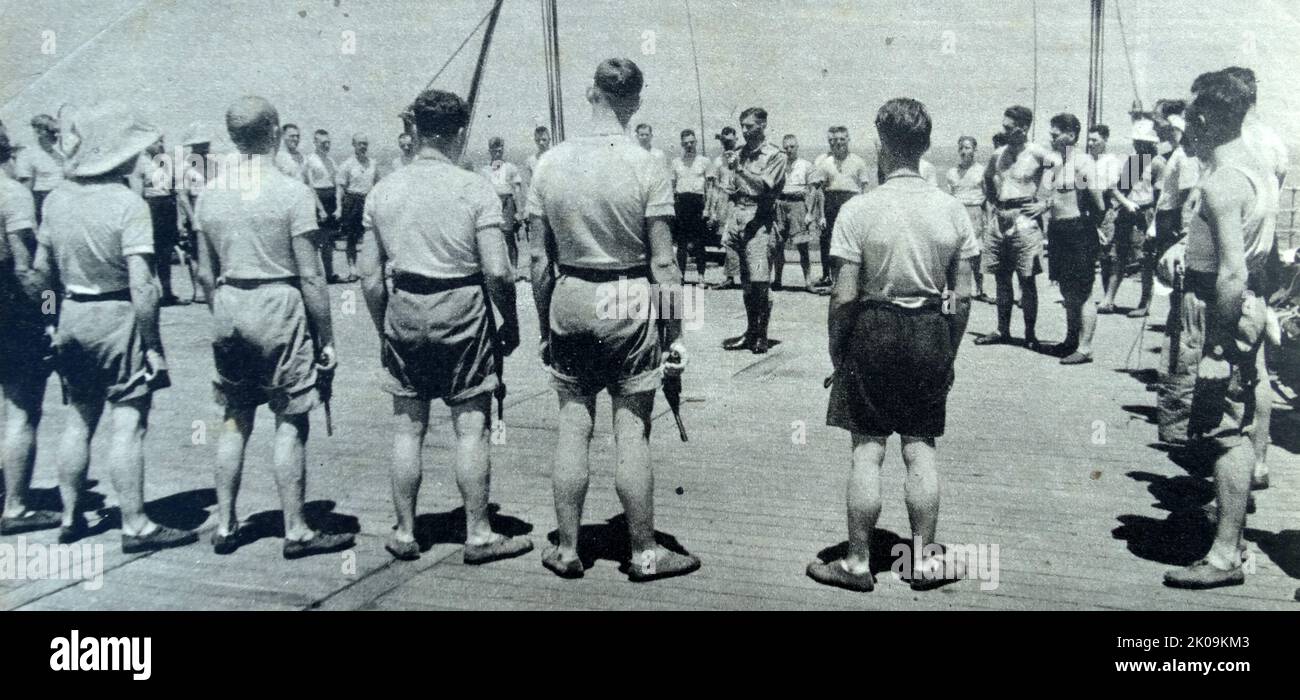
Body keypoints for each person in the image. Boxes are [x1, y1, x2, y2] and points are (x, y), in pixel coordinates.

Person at [527, 58, 696, 581]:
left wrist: (542, 326)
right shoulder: (647, 163)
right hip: (627, 294)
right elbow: (664, 262)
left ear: (588, 93)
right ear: (636, 102)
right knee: (632, 431)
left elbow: (536, 260)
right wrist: (675, 334)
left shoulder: (550, 163)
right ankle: (645, 551)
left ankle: (568, 547)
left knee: (573, 426)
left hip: (571, 292)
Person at [809, 97, 978, 592]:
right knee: (920, 449)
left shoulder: (860, 210)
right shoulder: (951, 210)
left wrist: (839, 353)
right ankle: (923, 560)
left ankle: (858, 563)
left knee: (867, 450)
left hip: (873, 329)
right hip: (929, 328)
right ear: (926, 146)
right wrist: (947, 346)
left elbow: (842, 298)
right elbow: (960, 296)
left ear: (881, 145)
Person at [359, 89, 532, 564]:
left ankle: (404, 531)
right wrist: (509, 322)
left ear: (413, 130)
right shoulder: (475, 188)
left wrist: (384, 329)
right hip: (462, 306)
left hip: (405, 305)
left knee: (407, 430)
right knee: (470, 428)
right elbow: (498, 271)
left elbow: (369, 277)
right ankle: (478, 534)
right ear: (459, 133)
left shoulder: (383, 190)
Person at [192, 96, 353, 560]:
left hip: (228, 298)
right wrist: (326, 339)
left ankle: (225, 524)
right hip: (278, 302)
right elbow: (311, 275)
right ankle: (296, 529)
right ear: (275, 131)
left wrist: (221, 312)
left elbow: (204, 272)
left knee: (234, 418)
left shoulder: (210, 193)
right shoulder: (292, 192)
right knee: (290, 418)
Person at [33, 101, 196, 552]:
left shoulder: (56, 200)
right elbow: (144, 287)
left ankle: (69, 516)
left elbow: (41, 273)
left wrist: (50, 319)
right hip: (116, 316)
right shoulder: (128, 204)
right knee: (129, 422)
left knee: (79, 419)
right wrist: (153, 346)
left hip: (70, 314)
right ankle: (136, 523)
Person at [1163, 71, 1276, 589]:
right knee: (1232, 421)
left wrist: (1217, 346)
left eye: (1190, 115)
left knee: (1223, 432)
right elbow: (1257, 261)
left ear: (1205, 118)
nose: (1186, 124)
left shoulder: (1220, 182)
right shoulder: (1259, 169)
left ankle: (1225, 554)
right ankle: (1231, 532)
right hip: (1241, 302)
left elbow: (1230, 271)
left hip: (1215, 306)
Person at [0, 125, 60, 535]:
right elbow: (26, 269)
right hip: (10, 305)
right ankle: (16, 506)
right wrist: (50, 311)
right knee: (21, 408)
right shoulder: (12, 195)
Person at [975, 105, 1054, 351]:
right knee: (1001, 278)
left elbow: (1069, 176)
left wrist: (1046, 204)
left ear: (1024, 127)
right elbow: (986, 179)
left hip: (1026, 220)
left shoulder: (1038, 153)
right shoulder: (998, 154)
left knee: (1027, 279)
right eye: (1004, 126)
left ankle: (1030, 334)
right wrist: (993, 202)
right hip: (1000, 219)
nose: (1004, 131)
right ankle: (1002, 330)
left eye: (1009, 127)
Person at [720, 107, 787, 354]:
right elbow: (733, 189)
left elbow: (763, 187)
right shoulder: (740, 153)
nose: (745, 131)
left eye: (749, 126)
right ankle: (750, 331)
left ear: (763, 125)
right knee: (746, 282)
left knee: (760, 281)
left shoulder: (775, 156)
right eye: (743, 126)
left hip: (760, 223)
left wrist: (740, 169)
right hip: (739, 219)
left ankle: (761, 334)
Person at [1044, 113, 1106, 364]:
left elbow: (1098, 202)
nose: (1052, 137)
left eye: (1056, 133)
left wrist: (1091, 227)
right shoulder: (1057, 162)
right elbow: (1053, 195)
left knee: (1084, 290)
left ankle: (1085, 347)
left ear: (1071, 135)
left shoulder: (1081, 163)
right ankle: (1070, 340)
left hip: (1078, 231)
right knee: (1066, 288)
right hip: (1058, 231)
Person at [1098, 117, 1159, 313]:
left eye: (1141, 142)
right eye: (1136, 142)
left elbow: (1160, 196)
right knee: (1118, 255)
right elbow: (1118, 189)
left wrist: (1154, 222)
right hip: (1128, 212)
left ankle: (1144, 303)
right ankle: (1108, 299)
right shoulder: (1133, 162)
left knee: (1145, 259)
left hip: (1147, 212)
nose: (1137, 145)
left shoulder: (1157, 163)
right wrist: (1123, 204)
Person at [811, 126, 871, 289]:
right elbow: (821, 192)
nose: (838, 143)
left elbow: (864, 188)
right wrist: (821, 215)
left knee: (853, 242)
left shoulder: (858, 161)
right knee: (827, 241)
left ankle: (854, 280)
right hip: (831, 202)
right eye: (835, 140)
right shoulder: (825, 163)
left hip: (851, 201)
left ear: (848, 139)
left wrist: (862, 211)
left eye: (842, 139)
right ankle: (829, 277)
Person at [133, 136, 185, 305]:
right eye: (157, 141)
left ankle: (167, 292)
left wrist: (178, 218)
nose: (161, 144)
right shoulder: (140, 162)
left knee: (166, 251)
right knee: (151, 251)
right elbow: (137, 194)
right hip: (151, 207)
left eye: (162, 140)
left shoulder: (167, 161)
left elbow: (175, 190)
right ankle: (148, 293)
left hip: (167, 206)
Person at [946, 136, 989, 301]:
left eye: (968, 148)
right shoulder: (952, 173)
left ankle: (979, 291)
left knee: (977, 252)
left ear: (974, 150)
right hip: (957, 214)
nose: (964, 151)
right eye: (961, 148)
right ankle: (951, 296)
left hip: (975, 213)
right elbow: (950, 197)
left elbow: (988, 196)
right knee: (954, 254)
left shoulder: (982, 171)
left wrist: (986, 219)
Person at [771, 134, 816, 292]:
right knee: (778, 245)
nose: (789, 150)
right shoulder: (779, 165)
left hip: (798, 205)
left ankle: (808, 282)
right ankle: (777, 280)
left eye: (792, 147)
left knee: (802, 246)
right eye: (786, 147)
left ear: (797, 147)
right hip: (781, 205)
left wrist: (809, 212)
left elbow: (812, 191)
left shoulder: (806, 165)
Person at [477, 137, 526, 274]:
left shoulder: (510, 168)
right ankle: (499, 270)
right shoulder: (485, 170)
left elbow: (517, 190)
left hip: (508, 204)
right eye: (494, 150)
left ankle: (514, 269)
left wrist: (519, 211)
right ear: (490, 151)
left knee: (509, 236)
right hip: (492, 206)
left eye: (500, 149)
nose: (497, 152)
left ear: (503, 149)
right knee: (494, 237)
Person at [336, 132, 377, 282]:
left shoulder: (373, 163)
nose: (363, 147)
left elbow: (378, 184)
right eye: (360, 143)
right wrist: (339, 208)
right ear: (353, 145)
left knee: (371, 236)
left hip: (368, 200)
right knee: (352, 238)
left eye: (365, 144)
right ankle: (353, 270)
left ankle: (370, 270)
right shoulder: (347, 164)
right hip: (352, 201)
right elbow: (340, 188)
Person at [704, 127, 741, 290]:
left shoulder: (743, 158)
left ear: (736, 140)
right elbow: (712, 188)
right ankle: (730, 277)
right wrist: (711, 211)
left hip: (742, 200)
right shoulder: (718, 162)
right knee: (727, 239)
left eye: (731, 141)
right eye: (725, 142)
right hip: (724, 202)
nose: (728, 144)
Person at [671, 129, 710, 283]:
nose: (689, 145)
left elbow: (710, 188)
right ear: (682, 144)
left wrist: (708, 208)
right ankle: (681, 276)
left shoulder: (704, 161)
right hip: (681, 203)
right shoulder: (676, 162)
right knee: (681, 243)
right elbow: (672, 187)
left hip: (698, 203)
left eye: (691, 142)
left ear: (696, 142)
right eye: (686, 143)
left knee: (699, 242)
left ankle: (701, 276)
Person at [305, 129, 343, 283]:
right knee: (315, 241)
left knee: (328, 241)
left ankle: (329, 275)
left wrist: (339, 206)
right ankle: (313, 278)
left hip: (331, 200)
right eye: (323, 143)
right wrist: (320, 208)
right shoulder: (310, 160)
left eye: (328, 143)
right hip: (317, 201)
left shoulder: (331, 161)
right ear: (315, 143)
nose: (326, 146)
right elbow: (310, 187)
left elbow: (338, 185)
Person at [15, 114, 65, 225]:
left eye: (56, 130)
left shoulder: (63, 150)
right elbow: (25, 191)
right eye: (50, 131)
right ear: (38, 131)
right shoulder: (27, 154)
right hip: (45, 201)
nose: (55, 134)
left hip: (67, 200)